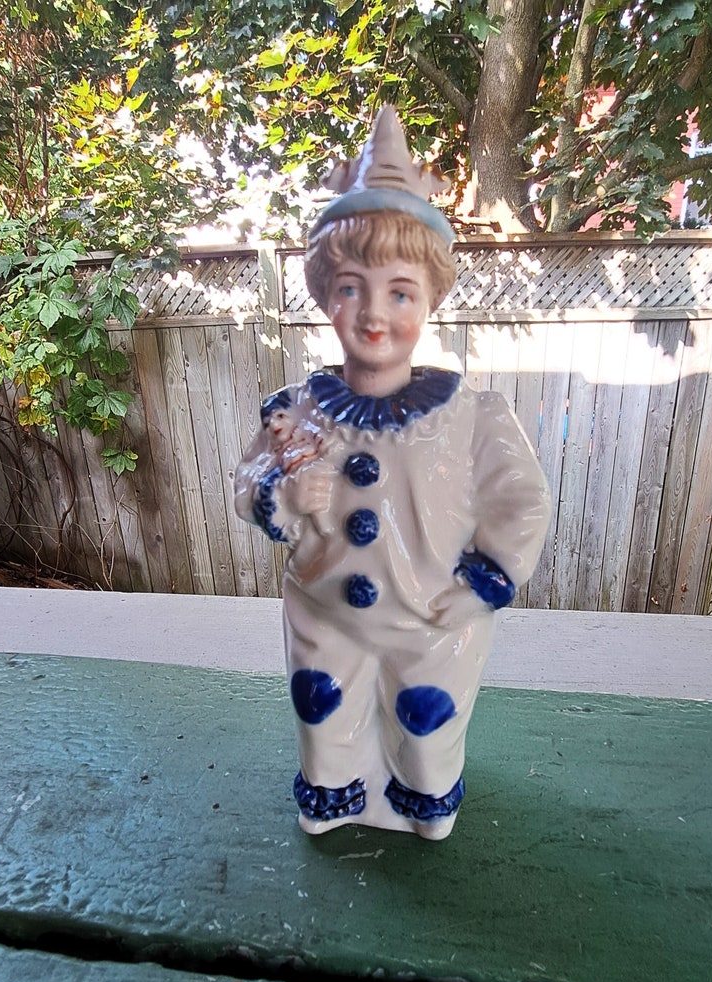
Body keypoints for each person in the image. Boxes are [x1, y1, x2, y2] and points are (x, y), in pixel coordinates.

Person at [235, 106, 551, 839]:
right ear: (323, 296)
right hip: (323, 611)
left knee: (426, 719)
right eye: (350, 288)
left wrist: (480, 586)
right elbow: (249, 478)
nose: (374, 313)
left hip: (431, 616)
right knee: (325, 709)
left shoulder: (471, 416)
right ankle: (335, 796)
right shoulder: (297, 411)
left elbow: (522, 501)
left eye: (400, 292)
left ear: (430, 299)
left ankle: (423, 799)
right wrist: (283, 494)